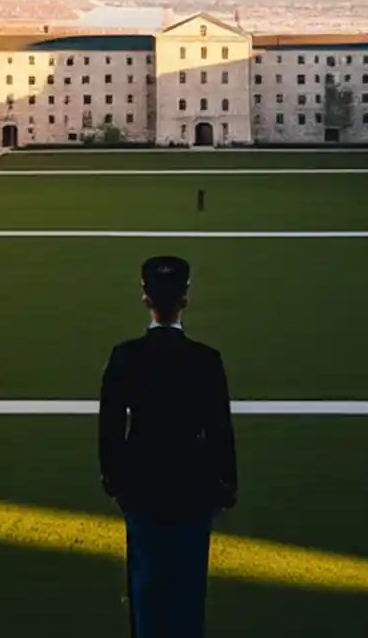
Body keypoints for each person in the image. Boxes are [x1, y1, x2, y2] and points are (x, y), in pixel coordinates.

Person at [99, 256, 238, 638]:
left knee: (147, 587)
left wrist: (113, 478)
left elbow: (110, 425)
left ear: (146, 298)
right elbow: (220, 429)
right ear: (185, 298)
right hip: (194, 485)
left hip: (141, 484)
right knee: (188, 591)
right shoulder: (206, 360)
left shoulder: (126, 356)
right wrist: (226, 485)